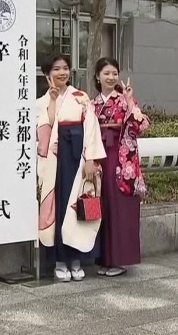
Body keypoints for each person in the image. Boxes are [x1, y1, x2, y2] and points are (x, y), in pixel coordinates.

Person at [36, 54, 106, 282]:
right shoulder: (42, 102)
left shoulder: (81, 98)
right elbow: (44, 135)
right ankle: (58, 260)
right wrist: (54, 101)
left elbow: (92, 129)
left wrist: (90, 160)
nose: (62, 72)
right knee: (58, 207)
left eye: (65, 68)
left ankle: (76, 260)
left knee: (76, 208)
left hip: (78, 158)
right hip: (55, 160)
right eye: (56, 69)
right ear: (48, 73)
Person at [91, 58, 150, 277]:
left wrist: (129, 100)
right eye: (106, 73)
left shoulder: (125, 100)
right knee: (103, 206)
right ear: (97, 76)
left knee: (120, 208)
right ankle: (105, 258)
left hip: (120, 157)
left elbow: (140, 125)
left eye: (114, 73)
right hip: (100, 156)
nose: (111, 77)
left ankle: (120, 259)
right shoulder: (92, 103)